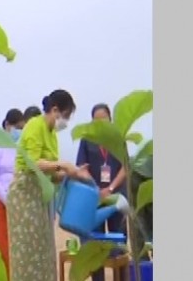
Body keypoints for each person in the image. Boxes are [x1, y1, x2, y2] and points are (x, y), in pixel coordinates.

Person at [7, 90, 93, 281]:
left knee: (43, 250)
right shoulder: (34, 125)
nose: (65, 122)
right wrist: (64, 165)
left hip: (41, 195)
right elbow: (34, 163)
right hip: (24, 194)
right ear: (55, 110)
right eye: (66, 116)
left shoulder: (52, 134)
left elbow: (52, 174)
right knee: (27, 251)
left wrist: (74, 173)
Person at [75, 103, 127, 281]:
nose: (100, 123)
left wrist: (110, 188)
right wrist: (97, 189)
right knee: (95, 244)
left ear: (110, 119)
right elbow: (82, 168)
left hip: (116, 196)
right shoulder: (86, 139)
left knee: (118, 243)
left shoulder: (118, 137)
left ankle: (121, 278)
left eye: (103, 119)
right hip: (94, 198)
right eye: (96, 121)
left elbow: (125, 167)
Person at [0, 108, 26, 278]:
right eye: (17, 127)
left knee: (15, 252)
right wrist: (7, 200)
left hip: (16, 203)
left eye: (22, 128)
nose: (19, 131)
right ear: (8, 125)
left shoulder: (19, 147)